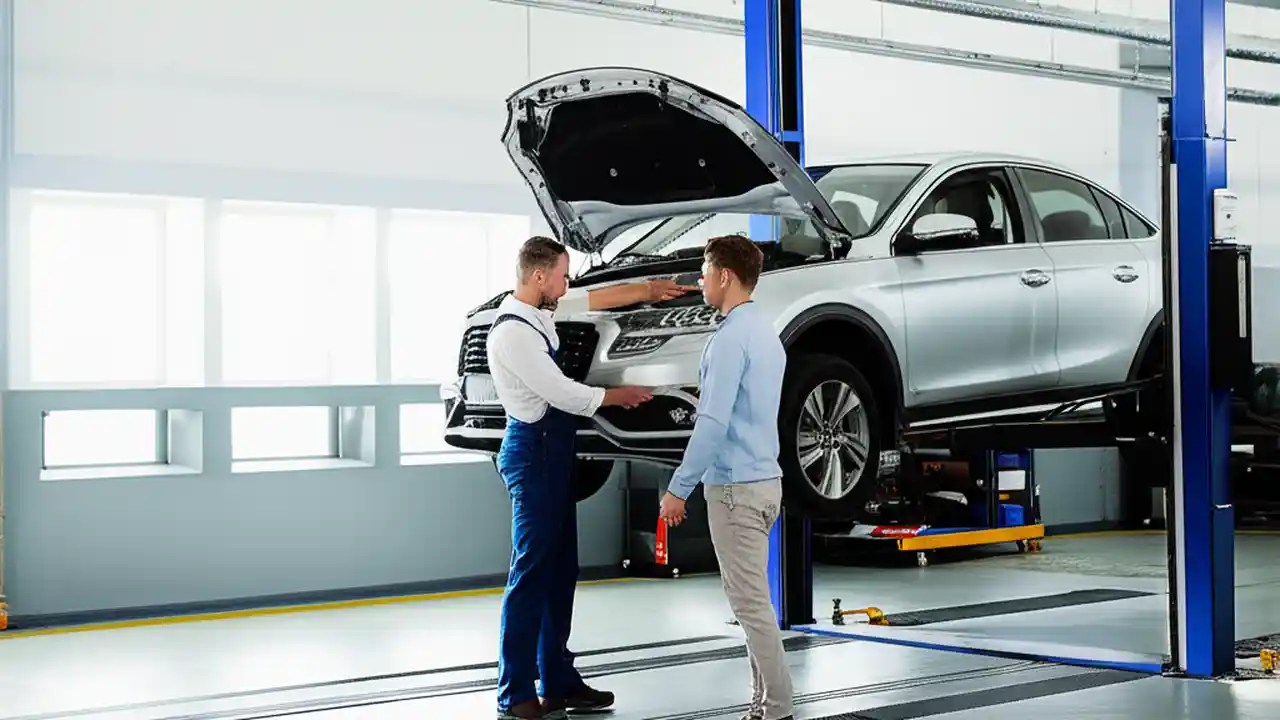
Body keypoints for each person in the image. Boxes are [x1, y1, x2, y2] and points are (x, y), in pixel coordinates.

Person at [487, 236, 693, 720]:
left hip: (554, 453)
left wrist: (651, 289)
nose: (567, 284)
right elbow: (560, 391)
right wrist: (616, 397)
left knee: (560, 573)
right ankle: (514, 693)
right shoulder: (513, 332)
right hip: (533, 453)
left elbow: (595, 298)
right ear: (539, 276)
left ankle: (558, 683)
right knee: (530, 574)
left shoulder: (540, 309)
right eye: (562, 275)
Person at [658, 234, 794, 720]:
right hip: (765, 481)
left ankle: (777, 709)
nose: (699, 281)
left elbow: (712, 424)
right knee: (751, 603)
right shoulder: (766, 332)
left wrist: (678, 488)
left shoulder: (730, 339)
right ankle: (761, 705)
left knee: (750, 607)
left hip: (736, 489)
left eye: (704, 271)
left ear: (725, 276)